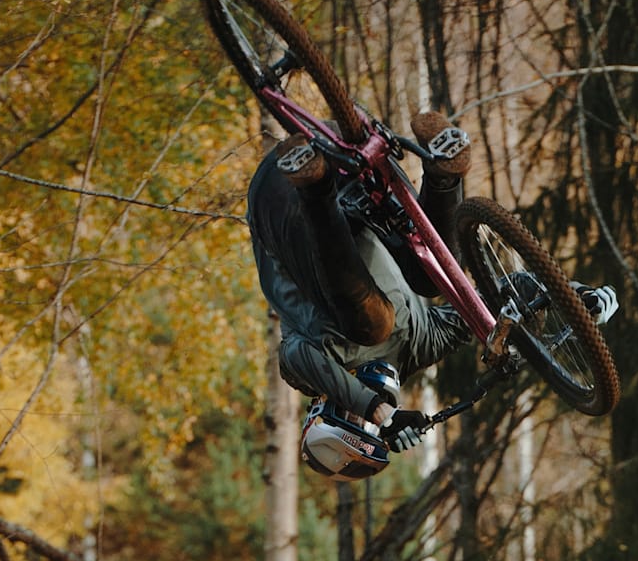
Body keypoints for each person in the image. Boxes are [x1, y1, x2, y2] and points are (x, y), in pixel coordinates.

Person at [246, 111, 617, 482]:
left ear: (326, 407)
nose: (370, 417)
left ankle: (314, 183)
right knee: (439, 281)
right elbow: (500, 299)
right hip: (356, 181)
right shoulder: (420, 347)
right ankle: (445, 168)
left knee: (374, 325)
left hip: (283, 197)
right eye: (372, 429)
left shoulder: (306, 364)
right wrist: (574, 300)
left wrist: (382, 415)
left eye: (355, 418)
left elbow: (298, 358)